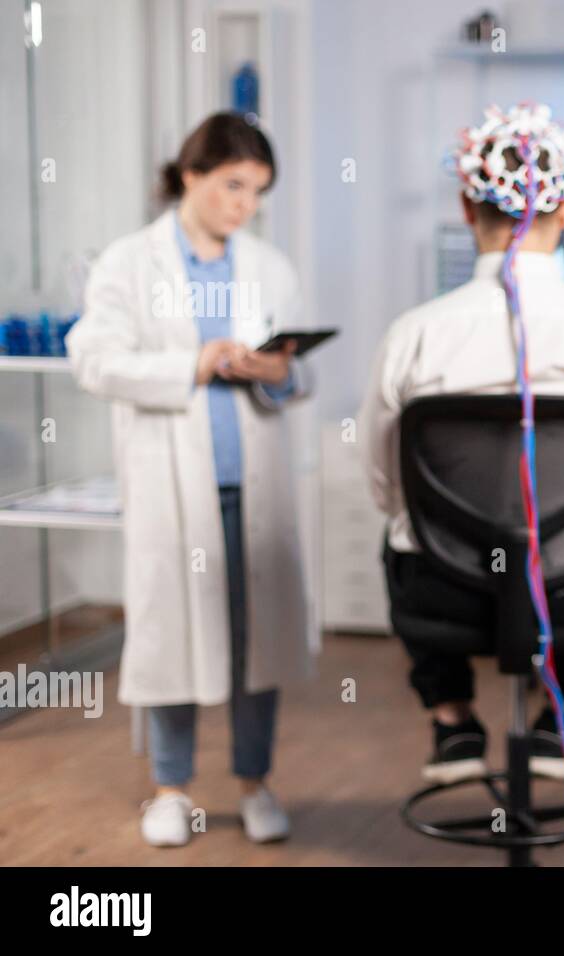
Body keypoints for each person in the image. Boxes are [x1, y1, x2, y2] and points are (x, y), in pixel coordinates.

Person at [359, 103, 564, 783]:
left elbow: (385, 489)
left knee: (397, 537)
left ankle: (450, 718)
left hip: (446, 593)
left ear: (467, 209)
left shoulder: (412, 335)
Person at [66, 112, 315, 848]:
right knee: (172, 635)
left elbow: (298, 370)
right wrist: (193, 363)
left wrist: (278, 370)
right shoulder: (128, 263)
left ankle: (255, 782)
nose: (244, 204)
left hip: (253, 484)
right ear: (190, 173)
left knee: (255, 642)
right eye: (233, 184)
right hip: (171, 487)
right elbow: (93, 359)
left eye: (257, 191)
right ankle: (170, 789)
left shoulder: (269, 267)